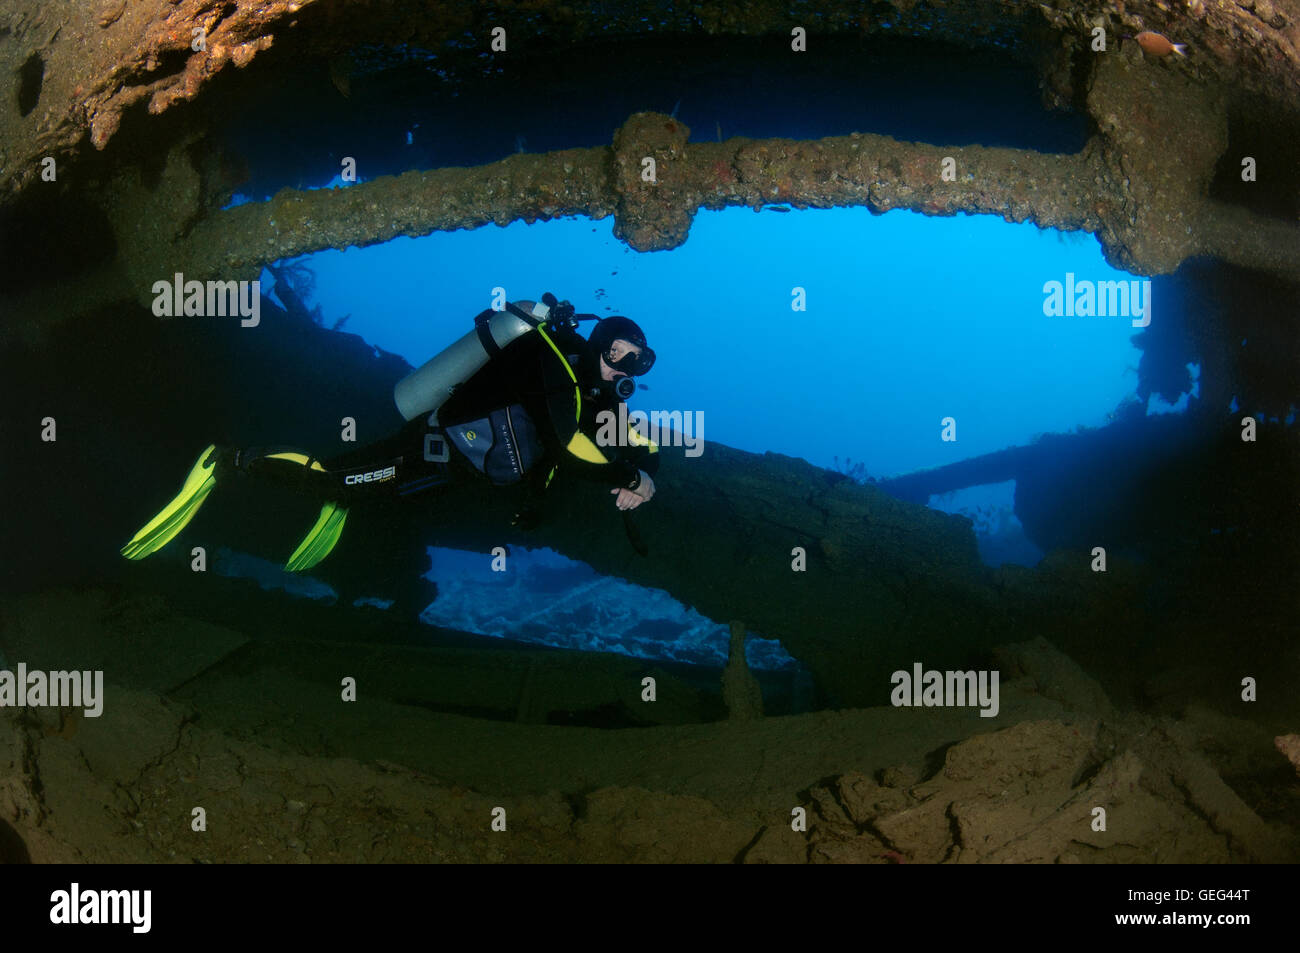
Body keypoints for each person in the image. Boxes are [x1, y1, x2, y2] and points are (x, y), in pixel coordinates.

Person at [121, 294, 659, 572]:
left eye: (639, 364)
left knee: (373, 494)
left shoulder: (593, 395)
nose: (624, 372)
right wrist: (626, 473)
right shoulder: (550, 362)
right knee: (334, 480)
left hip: (448, 473)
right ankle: (231, 461)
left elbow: (639, 441)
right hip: (431, 450)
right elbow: (565, 447)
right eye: (618, 355)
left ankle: (346, 501)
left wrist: (646, 473)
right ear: (596, 344)